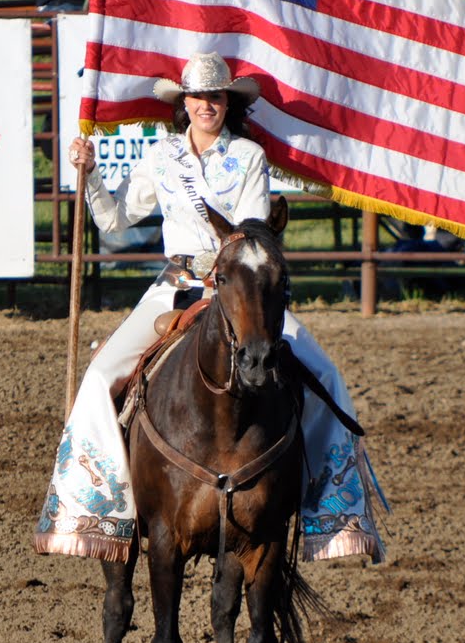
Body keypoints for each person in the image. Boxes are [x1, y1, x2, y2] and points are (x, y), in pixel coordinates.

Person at [33, 52, 385, 565]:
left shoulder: (248, 157)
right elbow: (113, 221)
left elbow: (248, 237)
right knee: (101, 373)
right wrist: (87, 175)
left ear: (228, 103)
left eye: (216, 97)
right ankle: (100, 504)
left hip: (238, 289)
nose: (207, 105)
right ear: (185, 103)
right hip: (174, 285)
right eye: (198, 97)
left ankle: (328, 509)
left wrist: (220, 268)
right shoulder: (161, 156)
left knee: (325, 374)